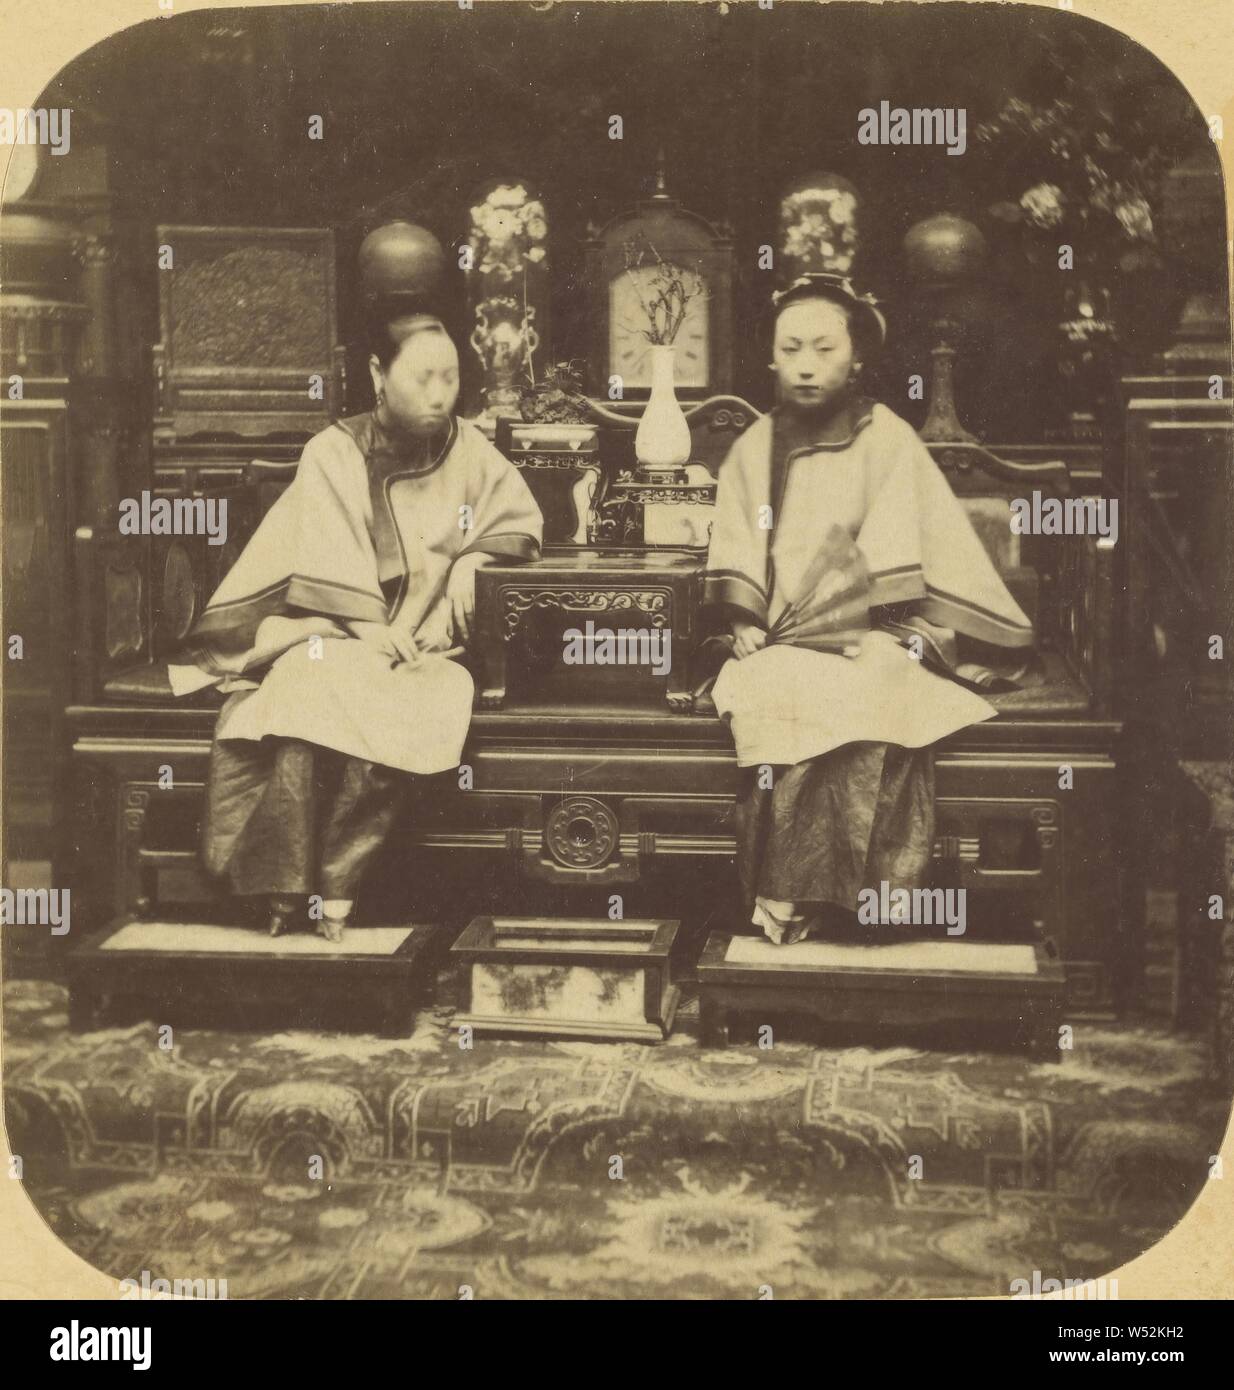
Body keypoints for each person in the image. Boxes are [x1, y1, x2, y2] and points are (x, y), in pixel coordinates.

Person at [169, 312, 543, 942]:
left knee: (412, 695)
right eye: (423, 377)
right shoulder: (334, 451)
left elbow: (517, 523)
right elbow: (326, 558)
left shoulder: (472, 451)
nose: (439, 394)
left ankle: (338, 887)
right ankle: (283, 891)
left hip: (425, 643)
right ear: (377, 373)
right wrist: (368, 632)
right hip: (328, 628)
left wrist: (472, 564)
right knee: (307, 692)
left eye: (450, 378)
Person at [704, 274, 1034, 945]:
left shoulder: (886, 437)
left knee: (878, 685)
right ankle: (784, 895)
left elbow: (912, 544)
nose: (804, 363)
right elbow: (736, 539)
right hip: (779, 637)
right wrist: (743, 620)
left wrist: (866, 617)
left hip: (876, 628)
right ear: (770, 357)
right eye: (790, 347)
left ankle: (864, 904)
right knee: (777, 691)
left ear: (856, 358)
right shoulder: (752, 448)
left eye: (823, 348)